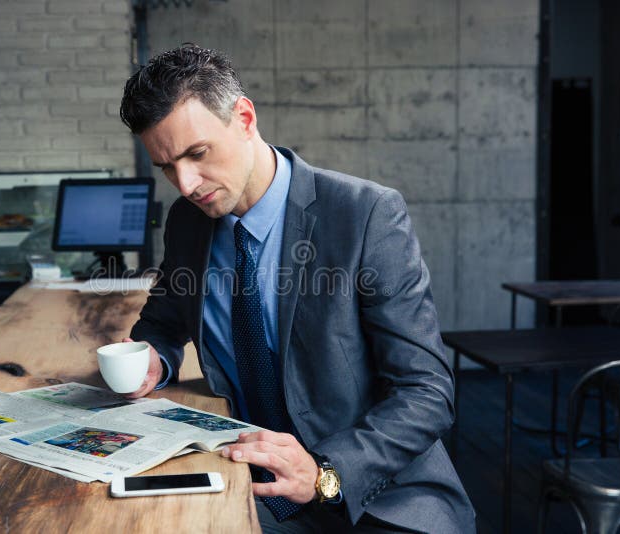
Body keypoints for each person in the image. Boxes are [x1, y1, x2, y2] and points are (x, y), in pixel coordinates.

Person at [118, 44, 475, 533]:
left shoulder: (365, 214)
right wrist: (155, 358)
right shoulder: (188, 222)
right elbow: (162, 322)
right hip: (252, 482)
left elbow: (427, 390)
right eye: (166, 166)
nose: (185, 182)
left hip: (375, 496)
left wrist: (327, 472)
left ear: (244, 118)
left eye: (196, 154)